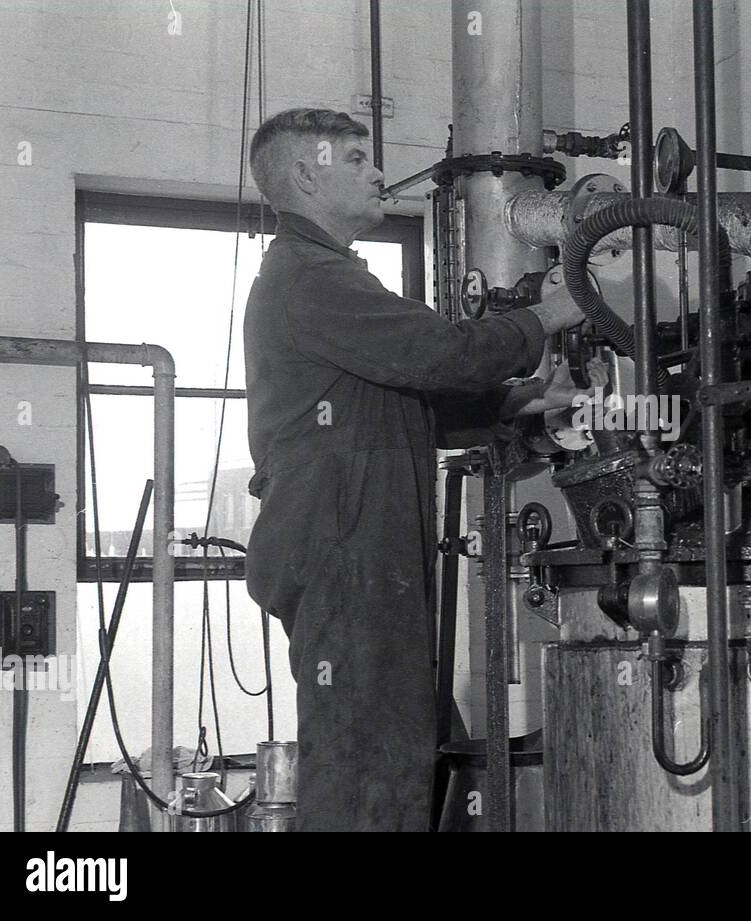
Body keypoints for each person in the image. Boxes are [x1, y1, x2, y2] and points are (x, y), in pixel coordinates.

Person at [242, 108, 588, 831]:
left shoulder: (326, 279)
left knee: (392, 750)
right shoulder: (312, 279)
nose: (377, 171)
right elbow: (442, 356)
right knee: (366, 760)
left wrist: (527, 400)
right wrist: (552, 314)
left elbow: (411, 406)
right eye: (358, 158)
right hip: (343, 552)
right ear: (308, 174)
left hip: (356, 546)